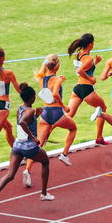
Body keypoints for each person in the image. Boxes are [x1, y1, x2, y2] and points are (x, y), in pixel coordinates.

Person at [0, 83, 53, 214]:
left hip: (17, 146)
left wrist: (36, 116)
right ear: (32, 98)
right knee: (45, 162)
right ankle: (44, 193)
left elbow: (23, 123)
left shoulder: (20, 108)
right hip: (29, 147)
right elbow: (23, 122)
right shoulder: (30, 110)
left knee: (10, 175)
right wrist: (34, 138)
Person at [25, 53, 77, 182]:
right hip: (57, 113)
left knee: (38, 144)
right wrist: (64, 107)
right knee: (73, 128)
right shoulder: (57, 80)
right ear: (57, 66)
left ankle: (27, 170)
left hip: (45, 114)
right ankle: (64, 154)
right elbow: (54, 94)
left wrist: (58, 80)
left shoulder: (42, 79)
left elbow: (48, 91)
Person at [66, 34, 112, 144]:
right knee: (102, 108)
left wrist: (95, 63)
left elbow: (85, 68)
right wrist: (90, 79)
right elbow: (80, 70)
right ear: (90, 44)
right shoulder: (89, 58)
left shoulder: (78, 55)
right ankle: (99, 138)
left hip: (77, 89)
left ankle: (49, 128)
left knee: (68, 116)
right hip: (87, 89)